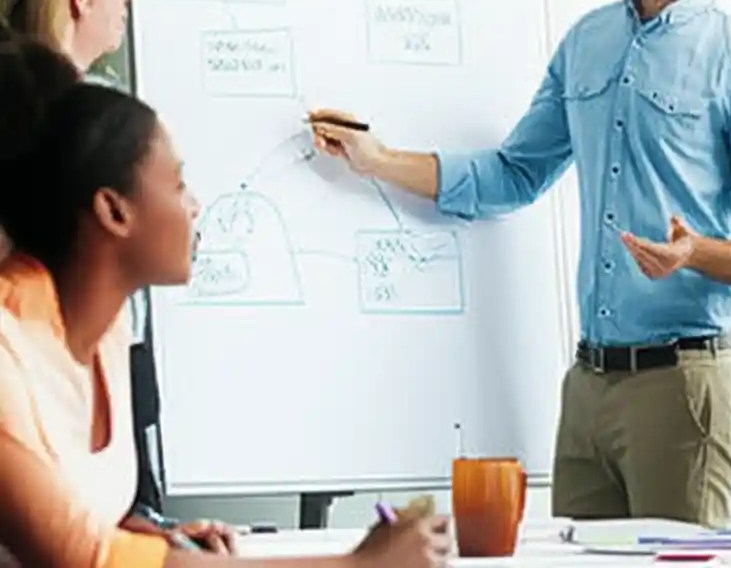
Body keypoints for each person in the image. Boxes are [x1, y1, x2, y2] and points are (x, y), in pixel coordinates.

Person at [309, 0, 731, 528]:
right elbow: (513, 174)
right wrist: (380, 159)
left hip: (684, 386)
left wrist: (700, 253)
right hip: (587, 387)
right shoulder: (589, 40)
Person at [0, 30, 451, 568]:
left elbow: (79, 519)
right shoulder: (8, 350)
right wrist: (355, 565)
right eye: (177, 183)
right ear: (113, 211)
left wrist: (155, 539)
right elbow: (88, 559)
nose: (195, 206)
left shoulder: (107, 327)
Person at [0, 0, 174, 536]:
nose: (127, 3)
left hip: (106, 360)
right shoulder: (33, 113)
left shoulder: (98, 100)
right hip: (41, 370)